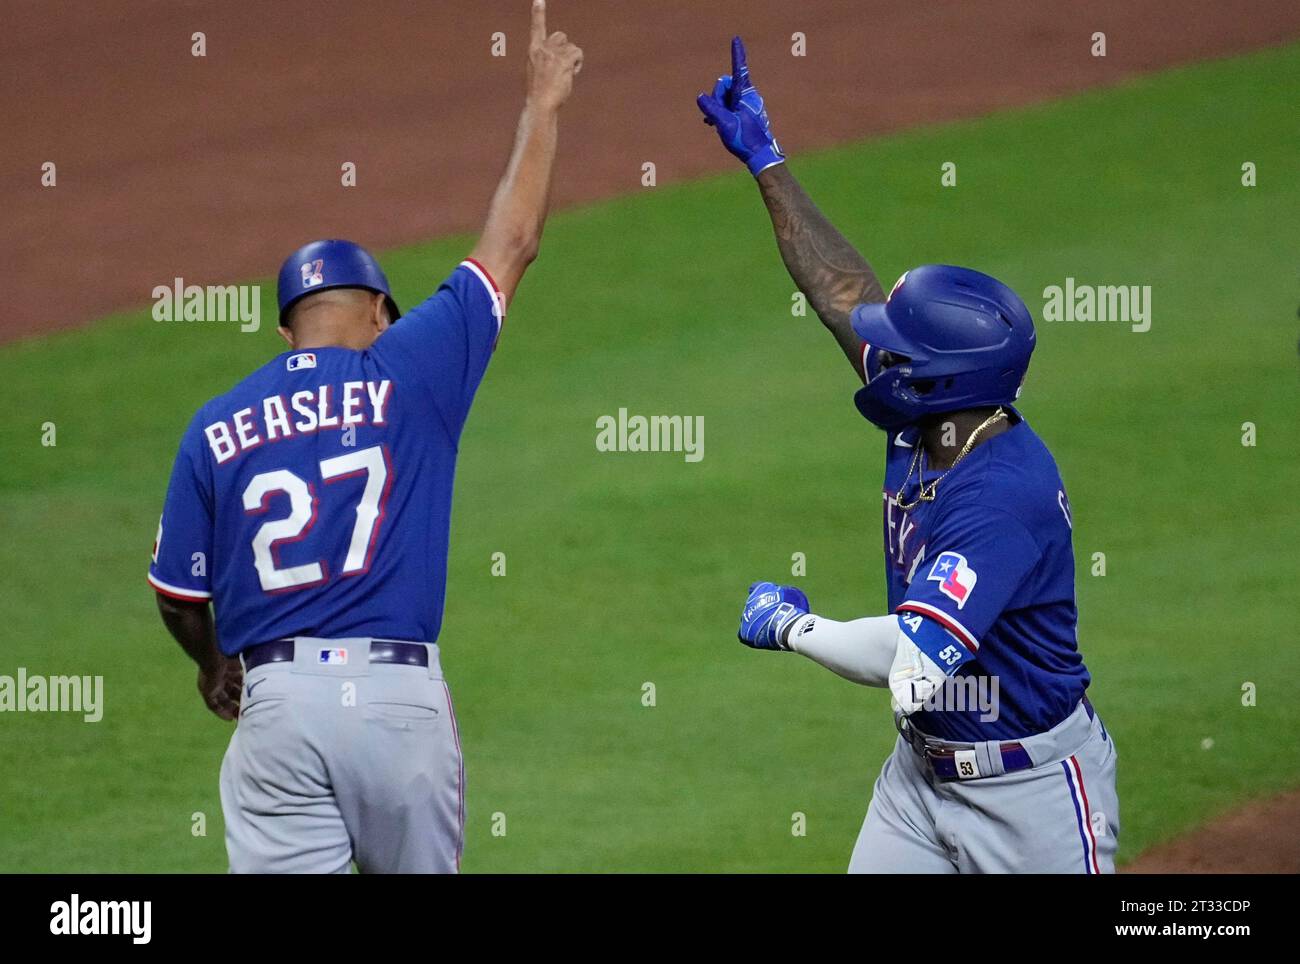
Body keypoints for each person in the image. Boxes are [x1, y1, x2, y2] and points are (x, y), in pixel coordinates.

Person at [148, 0, 582, 873]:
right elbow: (514, 241)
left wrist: (212, 664)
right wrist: (542, 104)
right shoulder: (409, 367)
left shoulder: (217, 424)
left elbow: (176, 596)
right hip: (396, 705)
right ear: (382, 312)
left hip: (275, 706)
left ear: (286, 332)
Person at [697, 36, 1118, 873]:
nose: (878, 350)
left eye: (901, 349)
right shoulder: (932, 417)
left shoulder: (1001, 495)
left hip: (1028, 799)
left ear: (944, 382)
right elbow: (840, 292)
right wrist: (767, 161)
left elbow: (914, 669)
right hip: (917, 786)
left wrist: (793, 626)